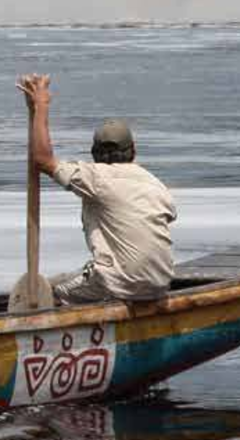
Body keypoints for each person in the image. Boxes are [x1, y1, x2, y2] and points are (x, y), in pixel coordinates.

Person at [17, 73, 177, 305]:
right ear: (133, 151)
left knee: (45, 296)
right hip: (159, 283)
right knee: (61, 279)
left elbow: (42, 159)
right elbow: (167, 216)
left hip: (120, 282)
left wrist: (41, 105)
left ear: (94, 154)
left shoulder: (97, 177)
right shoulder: (155, 184)